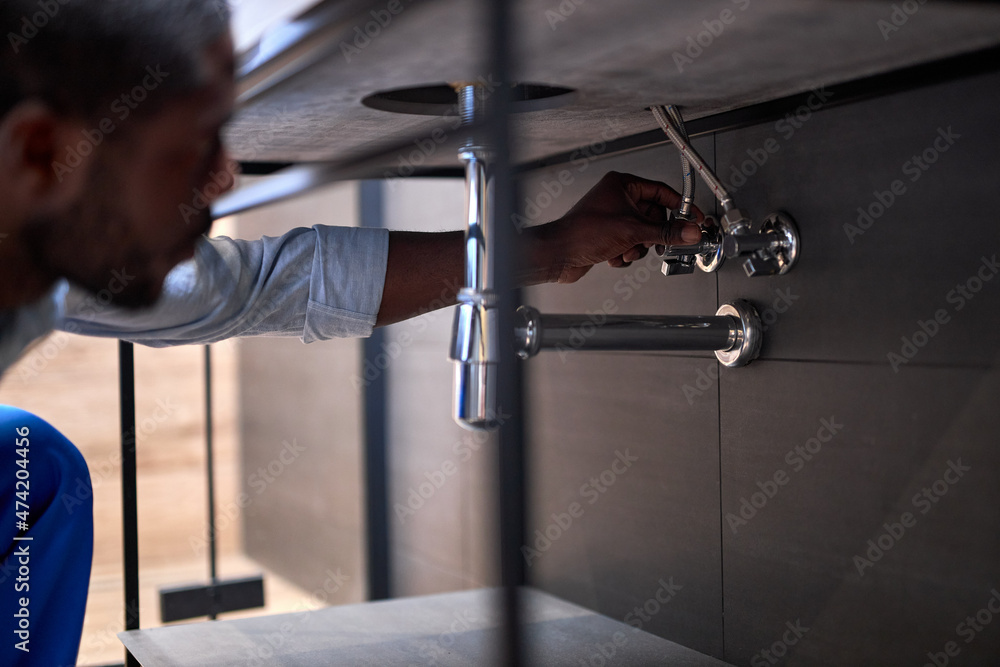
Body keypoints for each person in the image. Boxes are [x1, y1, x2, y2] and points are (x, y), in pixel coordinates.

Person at [0, 1, 703, 664]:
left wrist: (547, 250)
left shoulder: (40, 248)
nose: (224, 178)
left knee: (33, 463)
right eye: (190, 147)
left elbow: (254, 286)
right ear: (38, 151)